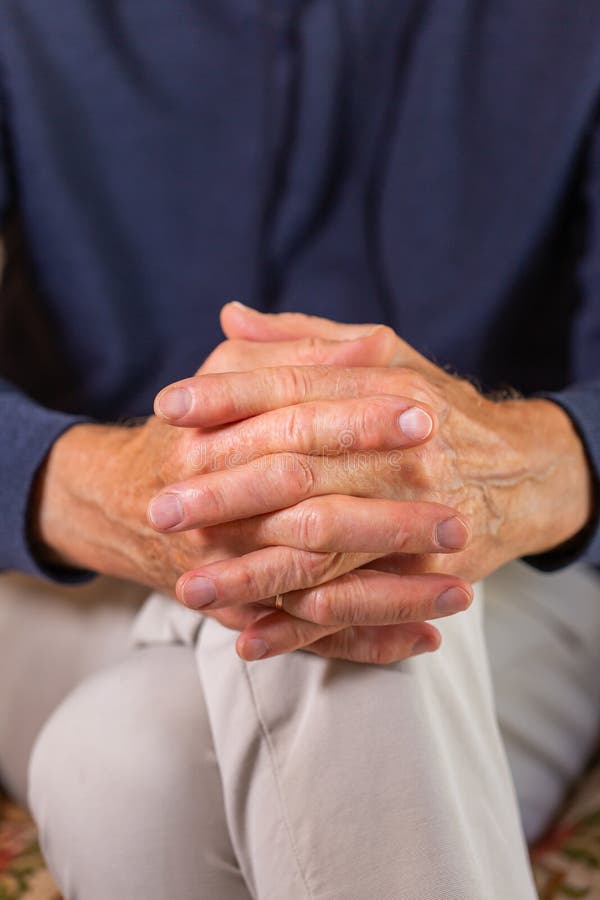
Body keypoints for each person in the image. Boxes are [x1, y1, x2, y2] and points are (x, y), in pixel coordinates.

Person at [0, 3, 599, 897]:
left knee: (130, 761)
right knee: (344, 600)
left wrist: (509, 472)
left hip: (514, 581)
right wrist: (115, 490)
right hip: (61, 578)